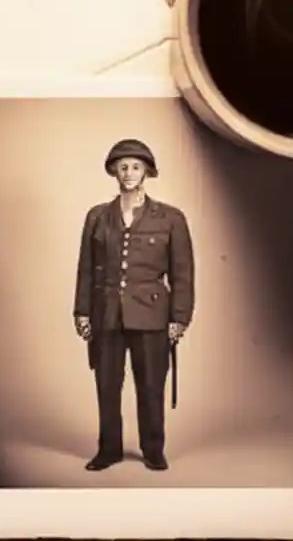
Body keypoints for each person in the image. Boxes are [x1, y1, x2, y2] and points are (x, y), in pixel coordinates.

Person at [72, 138, 195, 472]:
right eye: (122, 167)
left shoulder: (171, 218)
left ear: (147, 172)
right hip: (106, 315)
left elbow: (182, 274)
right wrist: (82, 311)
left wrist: (179, 318)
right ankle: (108, 449)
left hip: (152, 316)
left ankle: (153, 449)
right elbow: (86, 268)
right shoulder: (98, 217)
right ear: (113, 171)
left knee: (151, 385)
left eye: (136, 167)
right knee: (107, 386)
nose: (129, 173)